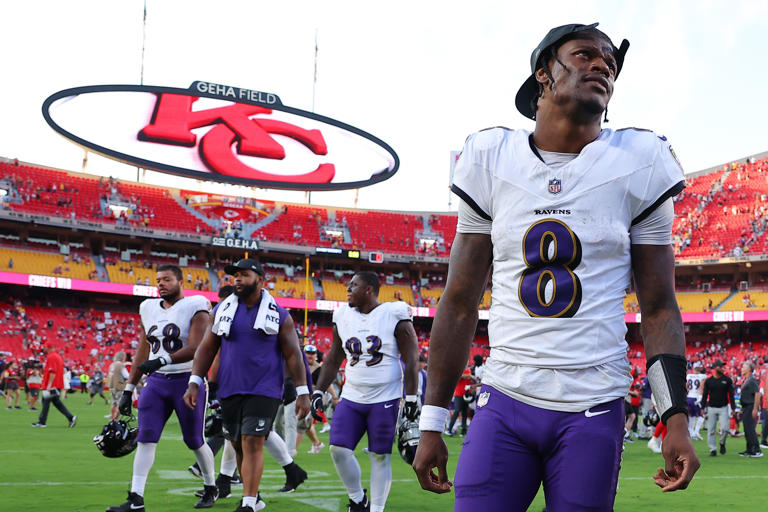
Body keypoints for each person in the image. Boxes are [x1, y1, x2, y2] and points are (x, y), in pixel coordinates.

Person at [412, 22, 700, 511]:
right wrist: (432, 421)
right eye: (586, 54)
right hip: (505, 395)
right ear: (544, 73)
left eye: (610, 61)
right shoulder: (490, 157)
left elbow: (658, 307)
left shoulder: (641, 160)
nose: (602, 65)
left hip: (593, 402)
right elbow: (459, 303)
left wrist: (674, 417)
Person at [184, 258, 311, 512]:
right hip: (231, 387)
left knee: (252, 441)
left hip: (265, 388)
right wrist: (195, 380)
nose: (238, 280)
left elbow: (293, 354)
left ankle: (249, 503)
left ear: (260, 280)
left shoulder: (279, 314)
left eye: (244, 275)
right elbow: (207, 348)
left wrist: (304, 391)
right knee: (237, 445)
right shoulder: (222, 309)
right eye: (235, 276)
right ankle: (255, 495)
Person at [107, 265, 218, 512]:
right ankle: (136, 498)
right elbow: (142, 351)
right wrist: (128, 389)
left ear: (180, 281)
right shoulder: (147, 308)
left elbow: (197, 346)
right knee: (146, 438)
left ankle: (211, 486)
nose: (161, 284)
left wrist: (163, 359)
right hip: (156, 382)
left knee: (194, 440)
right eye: (158, 280)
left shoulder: (196, 304)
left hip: (188, 380)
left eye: (167, 279)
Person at [312, 272, 420, 512]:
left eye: (354, 286)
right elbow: (333, 358)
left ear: (369, 290)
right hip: (352, 394)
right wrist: (318, 391)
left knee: (380, 456)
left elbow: (412, 359)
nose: (348, 290)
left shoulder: (394, 313)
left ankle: (377, 509)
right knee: (338, 449)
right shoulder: (342, 316)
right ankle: (358, 499)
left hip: (385, 396)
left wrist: (412, 398)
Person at [31, 345, 77, 428]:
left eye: (45, 347)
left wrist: (49, 384)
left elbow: (52, 371)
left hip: (51, 385)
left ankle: (42, 422)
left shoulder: (51, 357)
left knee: (46, 401)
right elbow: (63, 370)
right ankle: (70, 417)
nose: (44, 349)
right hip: (56, 384)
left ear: (49, 348)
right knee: (55, 402)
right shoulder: (58, 356)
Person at [702, 360, 736, 456]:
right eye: (721, 366)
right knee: (711, 430)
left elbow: (731, 395)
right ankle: (713, 449)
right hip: (711, 407)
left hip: (723, 407)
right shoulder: (709, 381)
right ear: (715, 368)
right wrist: (702, 407)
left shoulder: (727, 380)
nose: (723, 368)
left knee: (725, 429)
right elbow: (705, 395)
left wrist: (733, 408)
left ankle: (722, 442)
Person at [737, 362, 762, 457]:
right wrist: (741, 409)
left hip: (750, 407)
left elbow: (757, 394)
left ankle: (757, 450)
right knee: (747, 430)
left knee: (750, 429)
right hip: (746, 407)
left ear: (749, 369)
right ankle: (749, 449)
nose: (742, 368)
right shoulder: (747, 380)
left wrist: (755, 409)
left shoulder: (752, 380)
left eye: (744, 367)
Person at [445, 366, 478, 437]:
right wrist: (463, 376)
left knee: (464, 413)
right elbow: (456, 380)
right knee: (457, 411)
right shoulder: (459, 369)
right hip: (458, 394)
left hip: (466, 394)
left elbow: (474, 380)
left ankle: (463, 431)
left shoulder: (468, 369)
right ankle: (449, 429)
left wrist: (470, 377)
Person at [685, 363, 705, 440]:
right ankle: (696, 432)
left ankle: (691, 433)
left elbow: (686, 387)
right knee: (702, 416)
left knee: (691, 416)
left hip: (689, 397)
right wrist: (700, 397)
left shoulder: (689, 376)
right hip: (697, 398)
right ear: (700, 368)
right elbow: (702, 387)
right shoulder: (703, 376)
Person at [107, 352, 130, 421]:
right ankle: (115, 419)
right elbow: (127, 375)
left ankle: (112, 419)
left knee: (113, 403)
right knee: (119, 404)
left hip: (111, 386)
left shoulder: (112, 364)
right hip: (119, 386)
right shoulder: (120, 365)